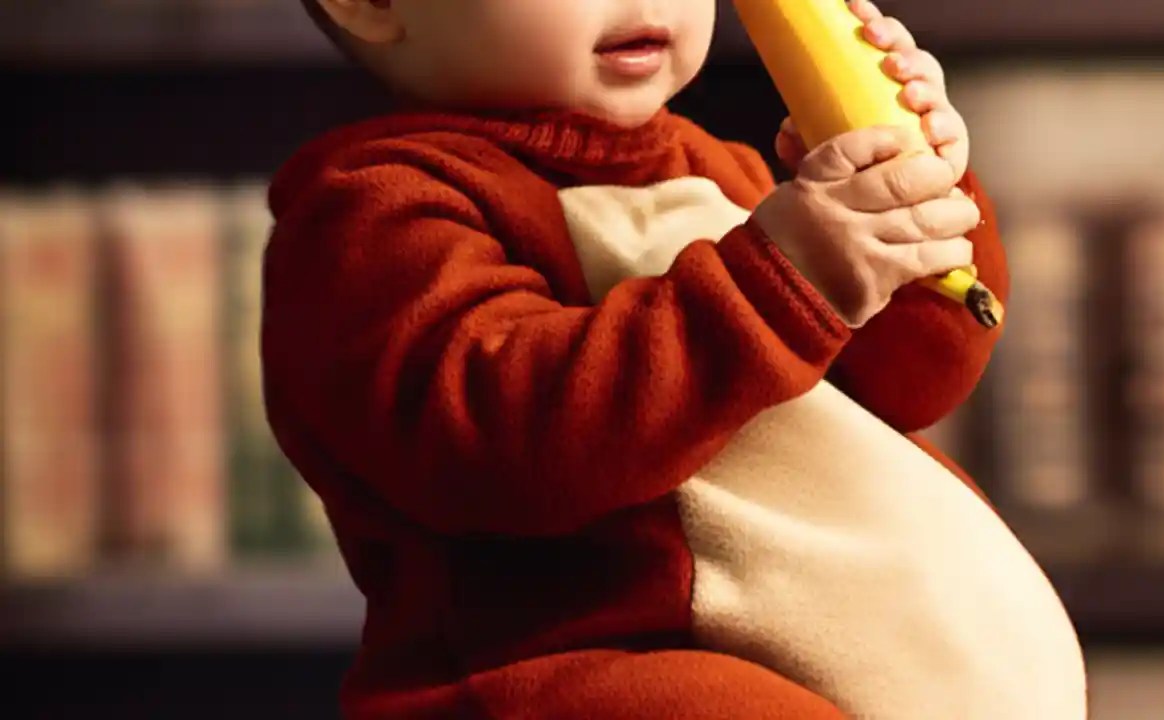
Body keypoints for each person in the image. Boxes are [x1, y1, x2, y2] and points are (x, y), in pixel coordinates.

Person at [262, 0, 1087, 717]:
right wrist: (786, 279)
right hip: (581, 665)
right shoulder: (377, 213)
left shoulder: (719, 170)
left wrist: (914, 217)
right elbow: (506, 442)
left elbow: (904, 389)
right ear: (370, 1)